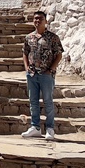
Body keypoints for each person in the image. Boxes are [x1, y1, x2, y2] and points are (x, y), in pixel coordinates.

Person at [21, 10, 63, 141]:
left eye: (40, 19)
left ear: (45, 21)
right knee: (33, 101)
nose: (37, 21)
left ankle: (50, 128)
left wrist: (51, 69)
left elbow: (59, 54)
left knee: (48, 101)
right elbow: (25, 53)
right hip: (32, 75)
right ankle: (35, 127)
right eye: (35, 19)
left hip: (46, 75)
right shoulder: (29, 37)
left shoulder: (53, 38)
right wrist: (27, 68)